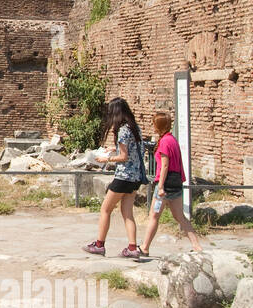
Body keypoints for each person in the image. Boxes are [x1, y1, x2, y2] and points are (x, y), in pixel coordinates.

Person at [84, 98, 147, 256]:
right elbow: (133, 149)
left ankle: (99, 245)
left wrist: (107, 158)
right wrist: (114, 149)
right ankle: (132, 248)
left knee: (105, 209)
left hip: (123, 176)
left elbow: (124, 156)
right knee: (127, 212)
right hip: (135, 176)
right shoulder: (135, 128)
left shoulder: (122, 130)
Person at [139, 112, 206, 257]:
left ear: (158, 126)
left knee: (154, 216)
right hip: (176, 184)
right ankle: (196, 245)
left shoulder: (164, 142)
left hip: (165, 186)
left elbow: (164, 166)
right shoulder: (172, 140)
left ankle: (144, 247)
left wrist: (161, 186)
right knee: (180, 217)